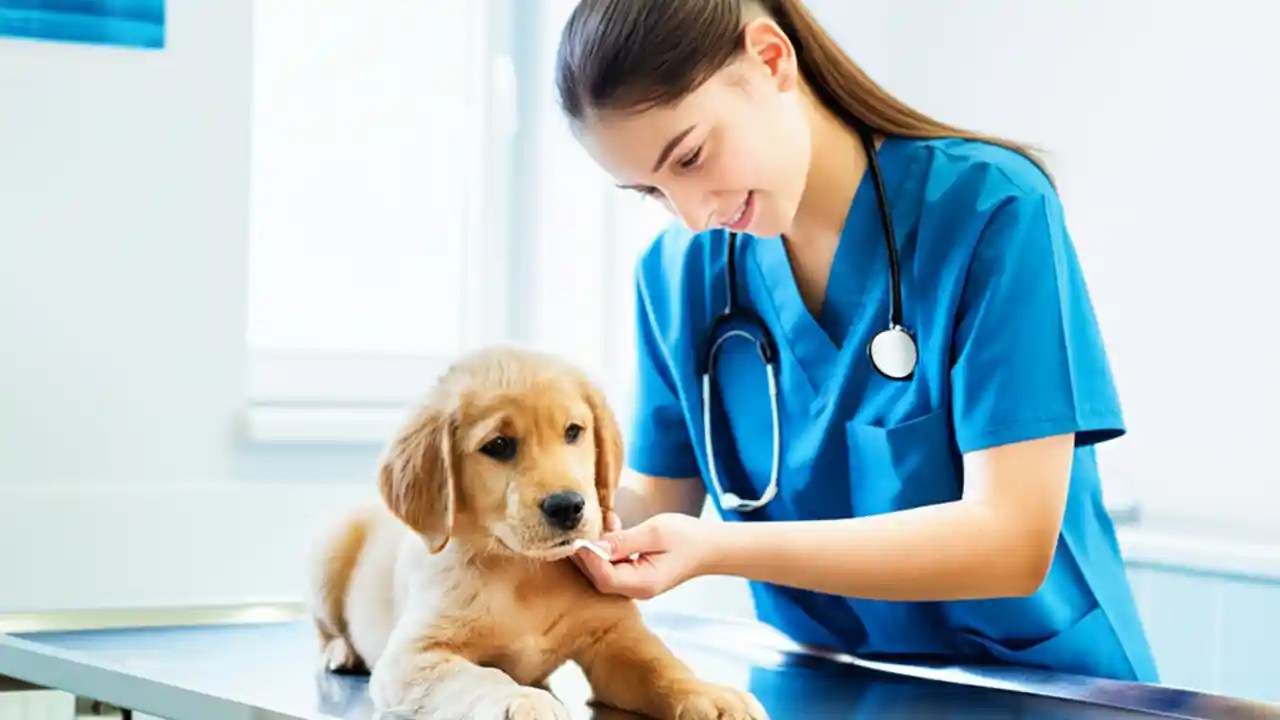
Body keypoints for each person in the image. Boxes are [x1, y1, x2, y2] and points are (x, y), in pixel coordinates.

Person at [557, 0, 1158, 684]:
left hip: (1043, 689)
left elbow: (1010, 540)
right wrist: (550, 520)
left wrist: (718, 548)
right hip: (833, 689)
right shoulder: (677, 276)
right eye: (651, 192)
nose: (692, 216)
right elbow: (654, 505)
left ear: (771, 60)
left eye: (691, 158)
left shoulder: (992, 209)